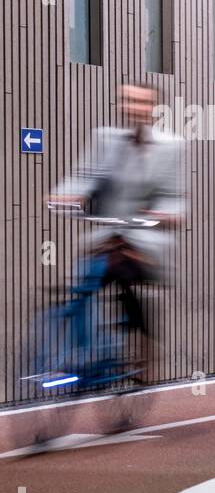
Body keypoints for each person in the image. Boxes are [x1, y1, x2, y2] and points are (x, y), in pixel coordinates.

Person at [48, 81, 187, 381]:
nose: (133, 107)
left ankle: (144, 346)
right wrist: (67, 195)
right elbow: (83, 178)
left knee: (123, 270)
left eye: (141, 102)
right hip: (108, 235)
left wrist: (166, 214)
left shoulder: (171, 147)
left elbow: (174, 196)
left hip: (146, 237)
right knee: (83, 283)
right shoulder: (105, 139)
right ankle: (79, 352)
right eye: (127, 100)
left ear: (153, 109)